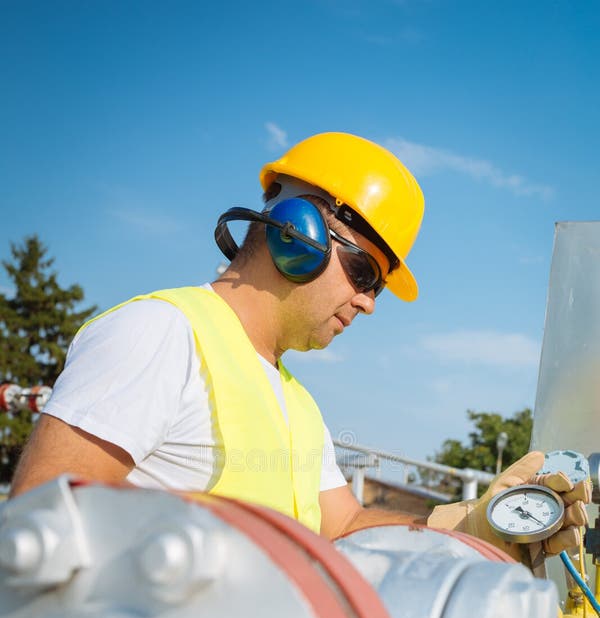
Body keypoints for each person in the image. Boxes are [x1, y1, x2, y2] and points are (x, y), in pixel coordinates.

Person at [9, 131, 589, 556]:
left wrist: (470, 521)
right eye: (366, 275)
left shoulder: (296, 403)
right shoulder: (161, 333)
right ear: (298, 234)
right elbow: (35, 530)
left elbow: (342, 527)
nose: (368, 303)